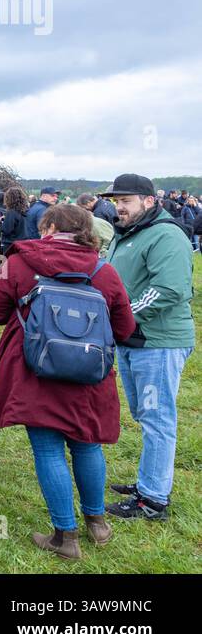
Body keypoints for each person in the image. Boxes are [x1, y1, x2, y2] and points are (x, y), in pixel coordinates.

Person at [0, 202, 135, 559]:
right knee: (87, 444)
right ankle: (97, 523)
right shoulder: (104, 270)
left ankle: (65, 538)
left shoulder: (17, 262)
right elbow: (125, 328)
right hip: (88, 376)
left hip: (36, 372)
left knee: (49, 450)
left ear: (48, 227)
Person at [100, 173, 195, 521]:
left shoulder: (166, 235)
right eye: (115, 201)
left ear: (148, 201)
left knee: (157, 418)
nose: (119, 207)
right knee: (145, 415)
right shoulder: (127, 235)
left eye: (125, 201)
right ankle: (148, 482)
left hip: (158, 343)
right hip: (134, 340)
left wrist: (120, 315)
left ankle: (153, 499)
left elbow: (168, 290)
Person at [0, 186, 29, 261]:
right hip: (23, 244)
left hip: (11, 246)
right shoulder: (25, 211)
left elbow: (6, 230)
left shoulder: (11, 212)